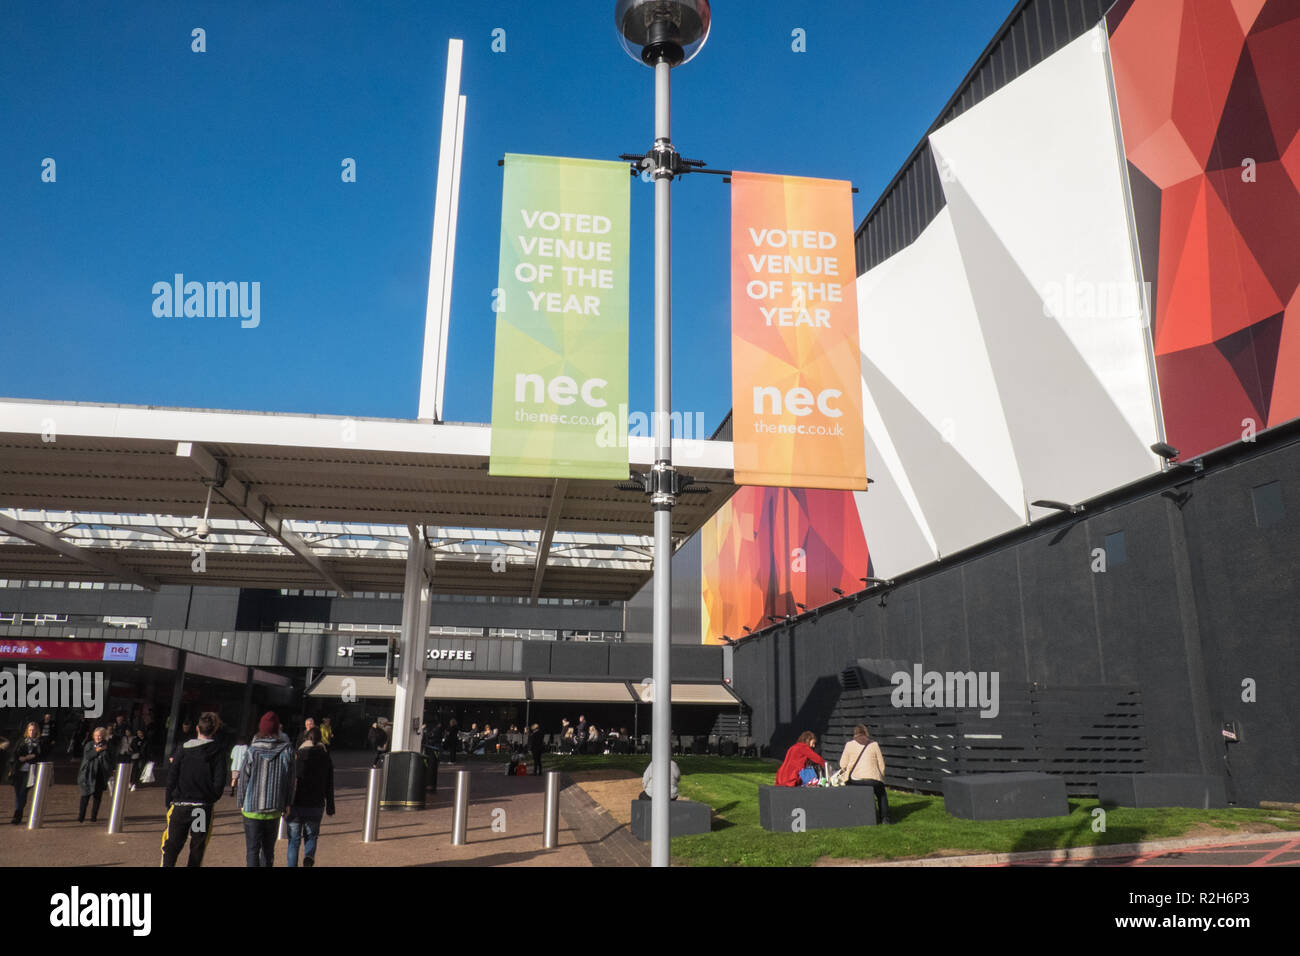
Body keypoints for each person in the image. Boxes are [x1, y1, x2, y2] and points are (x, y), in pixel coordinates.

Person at [161, 712, 226, 867]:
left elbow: (172, 775)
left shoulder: (183, 749)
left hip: (181, 804)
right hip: (202, 807)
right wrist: (211, 797)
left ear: (197, 728)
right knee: (197, 846)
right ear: (214, 730)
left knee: (172, 845)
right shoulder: (218, 751)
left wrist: (169, 799)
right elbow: (220, 780)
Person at [237, 712, 294, 867]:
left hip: (252, 807)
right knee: (268, 852)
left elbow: (243, 779)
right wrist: (288, 803)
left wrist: (241, 801)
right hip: (274, 806)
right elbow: (290, 781)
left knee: (252, 850)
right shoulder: (286, 751)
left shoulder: (252, 751)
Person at [286, 727, 335, 867]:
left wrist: (284, 803)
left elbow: (289, 781)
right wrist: (330, 806)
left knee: (294, 841)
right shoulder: (326, 758)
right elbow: (329, 784)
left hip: (295, 803)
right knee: (312, 836)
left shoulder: (296, 755)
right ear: (320, 740)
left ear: (306, 738)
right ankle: (309, 855)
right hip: (315, 803)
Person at [838, 724, 891, 824]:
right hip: (873, 779)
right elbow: (882, 765)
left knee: (849, 785)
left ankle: (853, 815)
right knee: (881, 794)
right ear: (866, 733)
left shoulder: (849, 745)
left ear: (855, 734)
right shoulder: (874, 744)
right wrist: (881, 777)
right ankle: (885, 818)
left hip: (855, 780)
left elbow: (842, 764)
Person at [76, 727, 113, 823]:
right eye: (96, 735)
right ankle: (81, 817)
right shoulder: (89, 745)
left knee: (97, 797)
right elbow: (88, 756)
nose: (98, 737)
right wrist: (98, 750)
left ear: (104, 736)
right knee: (85, 796)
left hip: (100, 774)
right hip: (88, 774)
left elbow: (111, 759)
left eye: (100, 735)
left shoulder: (108, 746)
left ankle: (94, 817)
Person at [9, 722, 42, 824]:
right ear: (27, 731)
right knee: (18, 793)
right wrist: (21, 758)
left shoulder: (39, 743)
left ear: (37, 731)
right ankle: (18, 813)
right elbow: (14, 754)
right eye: (30, 730)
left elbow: (41, 755)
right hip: (18, 770)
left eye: (33, 730)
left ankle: (17, 815)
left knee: (23, 792)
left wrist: (32, 757)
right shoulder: (21, 741)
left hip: (30, 772)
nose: (32, 732)